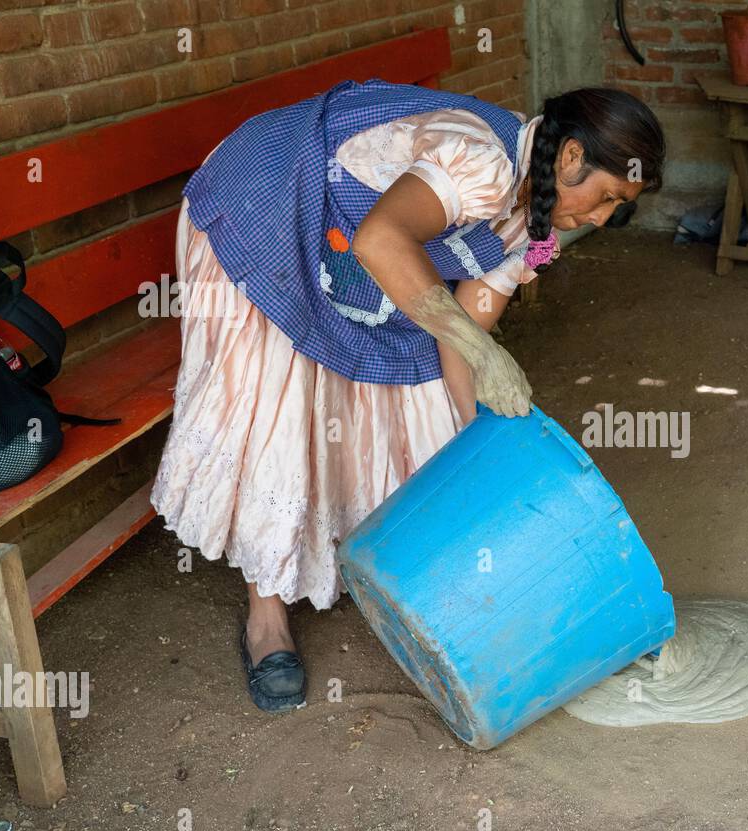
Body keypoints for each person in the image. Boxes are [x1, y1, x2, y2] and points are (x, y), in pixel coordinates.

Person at [150, 80, 666, 712]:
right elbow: (381, 241)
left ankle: (400, 573)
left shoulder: (530, 227)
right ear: (570, 158)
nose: (603, 217)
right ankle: (267, 621)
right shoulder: (480, 158)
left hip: (341, 249)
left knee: (421, 398)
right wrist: (483, 355)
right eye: (607, 196)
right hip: (268, 207)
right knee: (280, 410)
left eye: (620, 207)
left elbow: (461, 340)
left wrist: (492, 447)